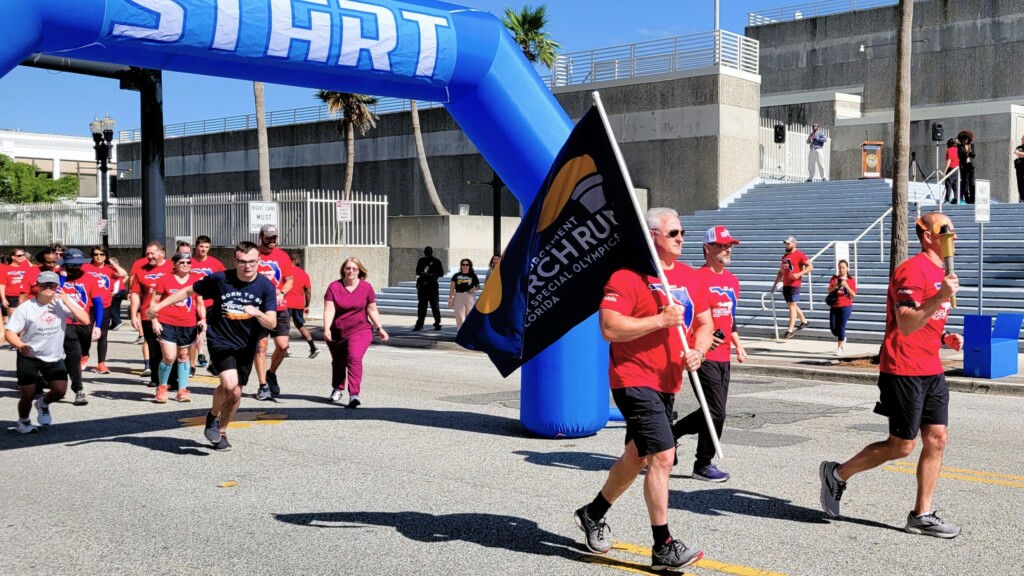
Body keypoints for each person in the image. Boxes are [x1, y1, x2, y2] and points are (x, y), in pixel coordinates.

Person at [573, 207, 712, 571]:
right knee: (664, 456)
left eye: (682, 233)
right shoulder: (628, 276)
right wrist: (660, 319)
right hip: (633, 378)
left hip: (668, 381)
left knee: (637, 458)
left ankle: (592, 514)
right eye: (673, 233)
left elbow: (705, 323)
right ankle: (663, 546)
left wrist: (698, 350)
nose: (681, 239)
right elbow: (609, 327)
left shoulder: (690, 277)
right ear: (652, 236)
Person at [820, 212, 962, 539]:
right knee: (901, 446)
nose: (953, 235)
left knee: (937, 439)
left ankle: (921, 515)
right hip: (903, 369)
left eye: (954, 229)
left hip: (931, 368)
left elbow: (928, 321)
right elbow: (906, 322)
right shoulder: (911, 270)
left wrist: (945, 338)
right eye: (945, 229)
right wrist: (940, 296)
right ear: (927, 235)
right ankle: (837, 474)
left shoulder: (942, 271)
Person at [148, 241, 278, 451]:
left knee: (236, 394)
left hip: (246, 345)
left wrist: (257, 313)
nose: (247, 266)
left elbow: (271, 323)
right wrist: (158, 307)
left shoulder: (265, 286)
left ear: (259, 261)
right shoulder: (221, 279)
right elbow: (188, 291)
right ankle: (213, 415)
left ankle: (221, 430)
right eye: (242, 262)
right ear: (234, 261)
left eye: (252, 262)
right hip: (221, 340)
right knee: (229, 384)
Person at [672, 226, 747, 483]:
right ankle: (703, 463)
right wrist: (696, 342)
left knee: (714, 410)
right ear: (707, 248)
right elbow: (687, 316)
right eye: (722, 245)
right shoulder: (695, 279)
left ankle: (672, 434)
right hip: (702, 354)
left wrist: (737, 344)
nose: (728, 250)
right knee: (716, 412)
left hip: (724, 355)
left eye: (729, 245)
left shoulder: (733, 281)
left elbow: (730, 318)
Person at [5, 271, 91, 433]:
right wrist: (21, 345)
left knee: (60, 391)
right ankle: (23, 422)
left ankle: (42, 403)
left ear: (57, 286)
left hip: (54, 355)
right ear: (37, 286)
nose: (48, 288)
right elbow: (9, 332)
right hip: (29, 355)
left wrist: (67, 300)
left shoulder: (63, 302)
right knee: (28, 393)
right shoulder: (26, 308)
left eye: (52, 285)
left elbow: (85, 320)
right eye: (44, 284)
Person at [323, 257, 388, 407]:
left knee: (354, 358)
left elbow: (372, 310)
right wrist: (326, 328)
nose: (351, 271)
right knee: (338, 361)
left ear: (359, 271)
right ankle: (337, 388)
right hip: (338, 330)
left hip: (360, 329)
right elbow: (329, 310)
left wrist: (379, 327)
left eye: (354, 268)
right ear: (343, 270)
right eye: (348, 268)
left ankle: (354, 395)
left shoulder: (366, 287)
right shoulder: (334, 287)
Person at [149, 252, 205, 403]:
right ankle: (162, 387)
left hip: (188, 323)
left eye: (188, 262)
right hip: (166, 322)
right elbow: (154, 302)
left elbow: (200, 303)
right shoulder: (165, 279)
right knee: (169, 357)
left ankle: (182, 390)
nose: (186, 265)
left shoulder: (196, 281)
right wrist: (154, 321)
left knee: (184, 356)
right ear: (174, 264)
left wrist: (203, 319)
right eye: (182, 262)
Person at [54, 249, 104, 406]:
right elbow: (54, 294)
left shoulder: (90, 278)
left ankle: (60, 381)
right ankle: (79, 390)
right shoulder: (57, 277)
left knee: (80, 353)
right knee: (74, 356)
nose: (75, 268)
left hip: (83, 322)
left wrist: (98, 326)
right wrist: (62, 277)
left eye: (78, 265)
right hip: (64, 323)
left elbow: (98, 303)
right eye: (72, 265)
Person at [254, 223, 293, 400]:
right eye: (268, 237)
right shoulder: (254, 254)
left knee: (283, 345)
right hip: (259, 309)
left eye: (274, 237)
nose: (272, 241)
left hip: (280, 307)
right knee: (261, 346)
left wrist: (282, 292)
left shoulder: (283, 256)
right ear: (261, 237)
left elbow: (289, 280)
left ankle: (271, 373)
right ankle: (263, 385)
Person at [129, 242, 173, 388]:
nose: (149, 256)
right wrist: (133, 315)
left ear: (162, 254)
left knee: (170, 348)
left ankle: (172, 379)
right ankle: (156, 377)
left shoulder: (172, 266)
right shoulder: (141, 270)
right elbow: (135, 294)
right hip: (148, 315)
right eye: (147, 254)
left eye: (152, 253)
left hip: (170, 314)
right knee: (154, 348)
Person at [82, 245, 128, 374]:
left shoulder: (110, 269)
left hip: (104, 304)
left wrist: (113, 263)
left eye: (102, 254)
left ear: (106, 256)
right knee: (87, 332)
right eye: (96, 254)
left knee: (103, 334)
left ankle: (101, 363)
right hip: (89, 304)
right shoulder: (85, 267)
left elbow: (124, 275)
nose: (99, 257)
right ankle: (84, 355)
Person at [191, 234, 226, 369]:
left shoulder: (215, 263)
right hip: (193, 304)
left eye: (206, 247)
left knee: (213, 334)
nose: (203, 249)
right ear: (196, 246)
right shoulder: (189, 262)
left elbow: (224, 279)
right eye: (201, 246)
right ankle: (195, 360)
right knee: (195, 333)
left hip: (211, 304)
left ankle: (213, 362)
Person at [771, 236, 812, 339]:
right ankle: (804, 321)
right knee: (792, 304)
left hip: (795, 284)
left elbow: (810, 266)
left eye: (788, 244)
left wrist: (799, 274)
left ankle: (790, 330)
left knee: (792, 305)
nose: (787, 245)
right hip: (786, 284)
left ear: (794, 244)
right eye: (786, 244)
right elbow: (781, 272)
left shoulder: (799, 254)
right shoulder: (785, 257)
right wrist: (775, 284)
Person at [286, 254, 319, 359]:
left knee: (284, 326)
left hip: (285, 302)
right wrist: (307, 305)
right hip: (298, 303)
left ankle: (286, 349)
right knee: (300, 325)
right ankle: (313, 347)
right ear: (297, 260)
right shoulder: (303, 274)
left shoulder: (283, 271)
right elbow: (308, 292)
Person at [827, 259, 858, 356]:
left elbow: (853, 295)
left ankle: (840, 348)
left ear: (847, 268)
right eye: (840, 268)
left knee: (841, 327)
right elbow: (829, 291)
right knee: (834, 329)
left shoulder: (851, 280)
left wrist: (846, 286)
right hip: (835, 306)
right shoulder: (834, 278)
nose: (841, 270)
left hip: (846, 306)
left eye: (843, 268)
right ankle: (843, 338)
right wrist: (836, 285)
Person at [413, 246, 443, 331]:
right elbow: (417, 272)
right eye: (425, 251)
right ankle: (420, 323)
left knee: (435, 305)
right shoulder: (421, 260)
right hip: (423, 285)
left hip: (432, 285)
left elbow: (441, 273)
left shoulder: (436, 261)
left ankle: (437, 322)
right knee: (422, 306)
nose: (426, 253)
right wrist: (422, 273)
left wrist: (430, 274)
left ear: (431, 252)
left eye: (428, 251)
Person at [1, 248, 32, 326]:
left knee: (26, 318)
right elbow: (2, 284)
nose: (22, 257)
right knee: (15, 319)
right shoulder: (5, 268)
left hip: (25, 295)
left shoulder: (26, 265)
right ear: (13, 257)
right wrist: (3, 299)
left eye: (23, 255)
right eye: (19, 255)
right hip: (11, 296)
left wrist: (25, 259)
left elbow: (33, 270)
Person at [447, 258, 479, 329]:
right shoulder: (456, 275)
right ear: (461, 266)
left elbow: (478, 286)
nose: (465, 266)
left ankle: (470, 331)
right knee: (459, 315)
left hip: (469, 296)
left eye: (467, 264)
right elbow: (452, 288)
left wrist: (474, 289)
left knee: (471, 315)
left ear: (469, 266)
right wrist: (450, 297)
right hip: (459, 295)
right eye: (463, 264)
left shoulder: (473, 275)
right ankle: (460, 331)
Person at [956, 130, 976, 204]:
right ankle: (967, 199)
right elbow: (960, 155)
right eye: (964, 139)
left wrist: (969, 152)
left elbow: (973, 155)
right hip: (964, 166)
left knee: (972, 181)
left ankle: (972, 199)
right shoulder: (960, 146)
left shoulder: (972, 145)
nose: (965, 140)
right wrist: (966, 153)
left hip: (971, 165)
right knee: (965, 182)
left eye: (966, 139)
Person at [943, 138, 960, 205]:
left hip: (951, 169)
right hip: (957, 169)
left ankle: (947, 199)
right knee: (955, 185)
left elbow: (949, 160)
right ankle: (956, 199)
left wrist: (945, 170)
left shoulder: (949, 150)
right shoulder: (958, 149)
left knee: (948, 184)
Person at [1014, 135, 1024, 202]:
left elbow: (1018, 153)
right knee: (1019, 183)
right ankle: (1021, 198)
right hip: (1019, 167)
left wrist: (1020, 155)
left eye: (1023, 139)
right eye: (1022, 139)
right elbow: (1016, 152)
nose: (1022, 140)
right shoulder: (1019, 147)